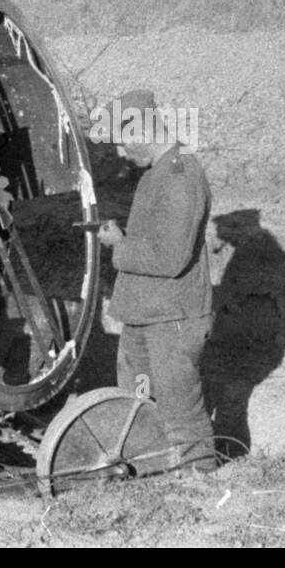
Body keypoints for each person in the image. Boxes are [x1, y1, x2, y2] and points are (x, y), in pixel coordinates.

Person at [97, 89, 219, 472]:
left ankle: (202, 489)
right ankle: (152, 479)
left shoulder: (181, 174)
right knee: (137, 409)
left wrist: (119, 245)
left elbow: (170, 257)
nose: (120, 153)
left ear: (139, 128)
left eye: (121, 141)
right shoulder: (158, 173)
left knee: (181, 415)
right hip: (147, 314)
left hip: (172, 319)